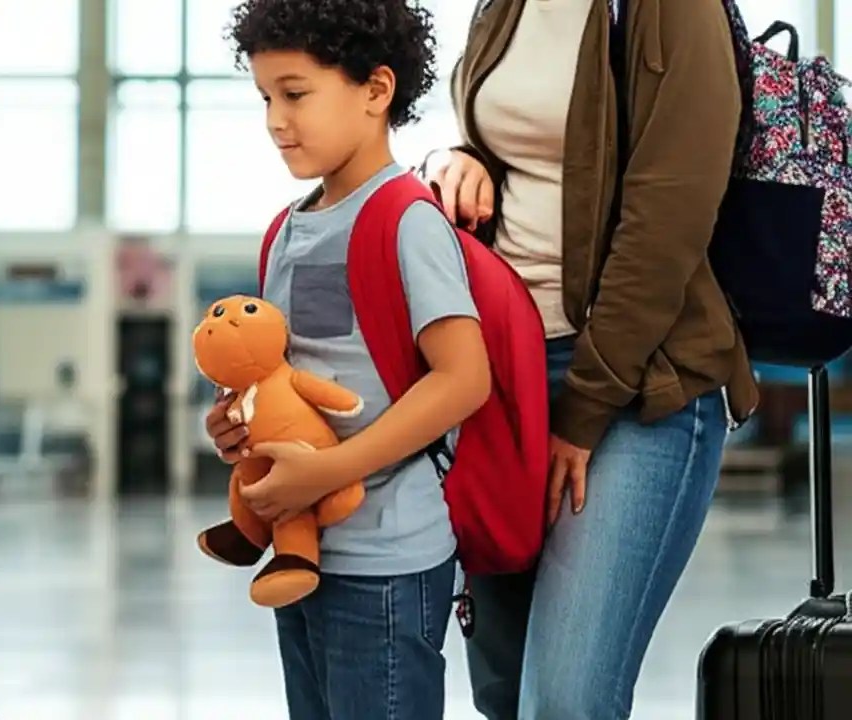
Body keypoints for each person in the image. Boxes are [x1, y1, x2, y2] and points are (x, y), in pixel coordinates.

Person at [423, 1, 759, 718]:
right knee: (505, 697)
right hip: (508, 374)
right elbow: (522, 144)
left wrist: (581, 410)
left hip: (640, 383)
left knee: (566, 702)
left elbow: (666, 221)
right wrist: (454, 159)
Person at [202, 1, 491, 717]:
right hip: (301, 555)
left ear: (376, 90)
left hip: (389, 560)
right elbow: (282, 380)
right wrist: (236, 426)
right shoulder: (285, 232)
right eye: (266, 97)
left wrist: (329, 470)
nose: (275, 120)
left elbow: (464, 379)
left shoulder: (406, 219)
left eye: (296, 94)